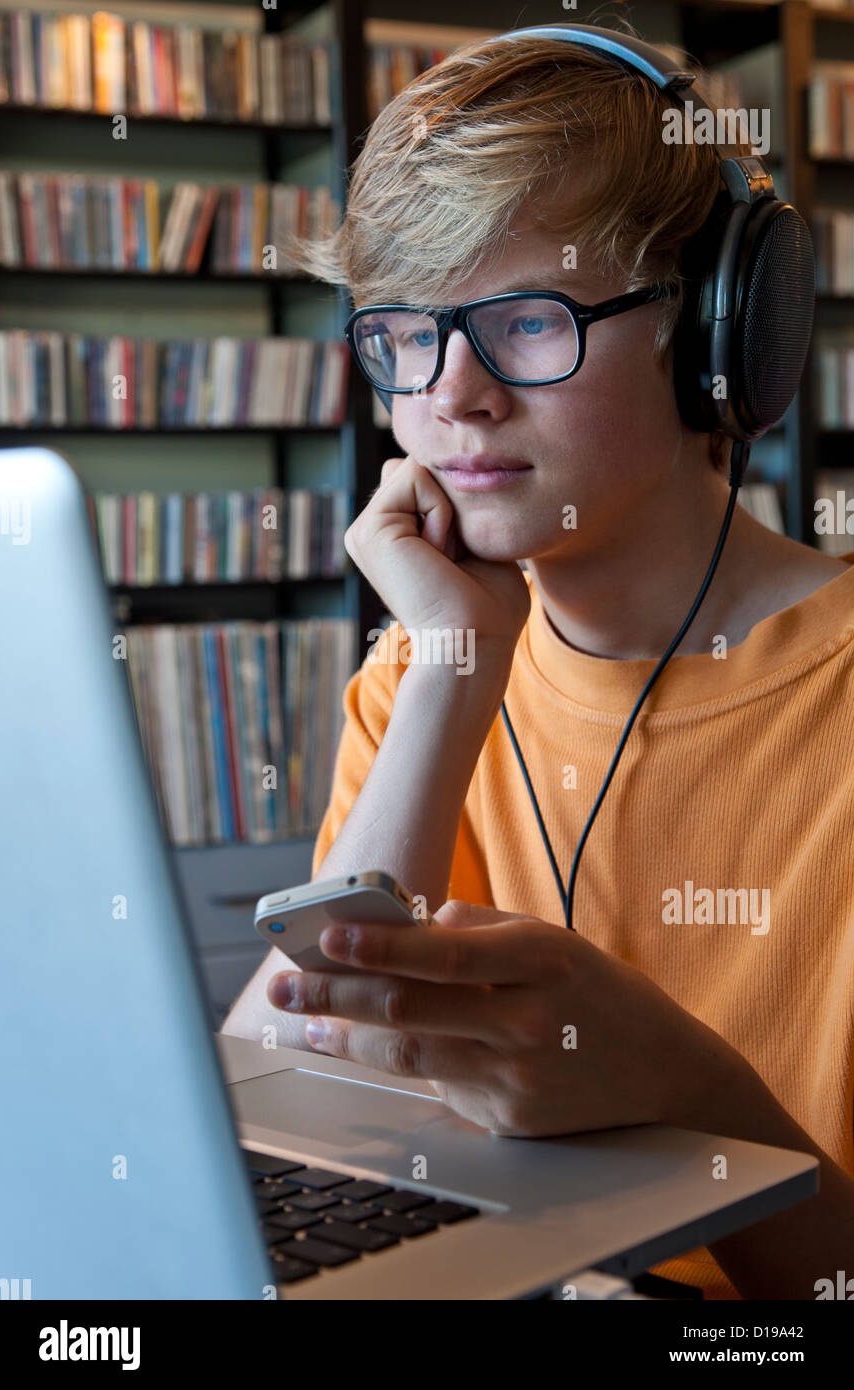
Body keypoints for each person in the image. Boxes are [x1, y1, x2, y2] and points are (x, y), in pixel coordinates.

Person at [222, 26, 854, 1300]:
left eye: (525, 319)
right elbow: (302, 1074)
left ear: (715, 339)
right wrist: (454, 671)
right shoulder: (420, 675)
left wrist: (694, 1100)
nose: (450, 395)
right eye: (404, 333)